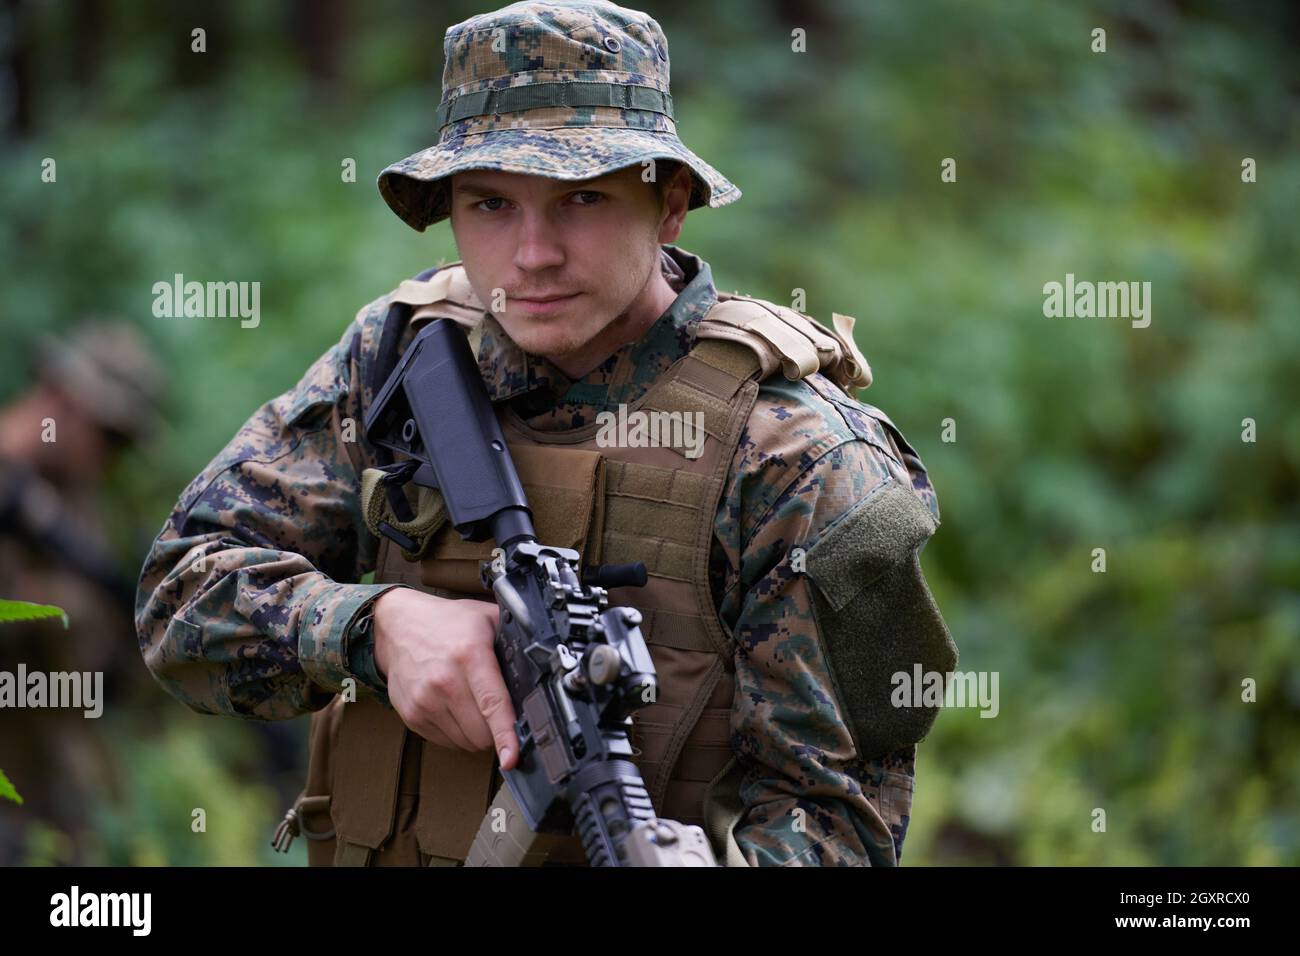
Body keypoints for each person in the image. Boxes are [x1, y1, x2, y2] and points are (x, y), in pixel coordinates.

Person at [136, 0, 957, 867]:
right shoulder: (400, 358)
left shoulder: (801, 458)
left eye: (582, 199)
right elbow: (176, 601)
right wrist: (369, 628)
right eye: (491, 203)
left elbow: (840, 824)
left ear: (670, 203)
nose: (532, 255)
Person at [0, 319, 163, 864]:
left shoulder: (74, 506)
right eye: (108, 435)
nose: (109, 458)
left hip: (52, 811)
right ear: (58, 393)